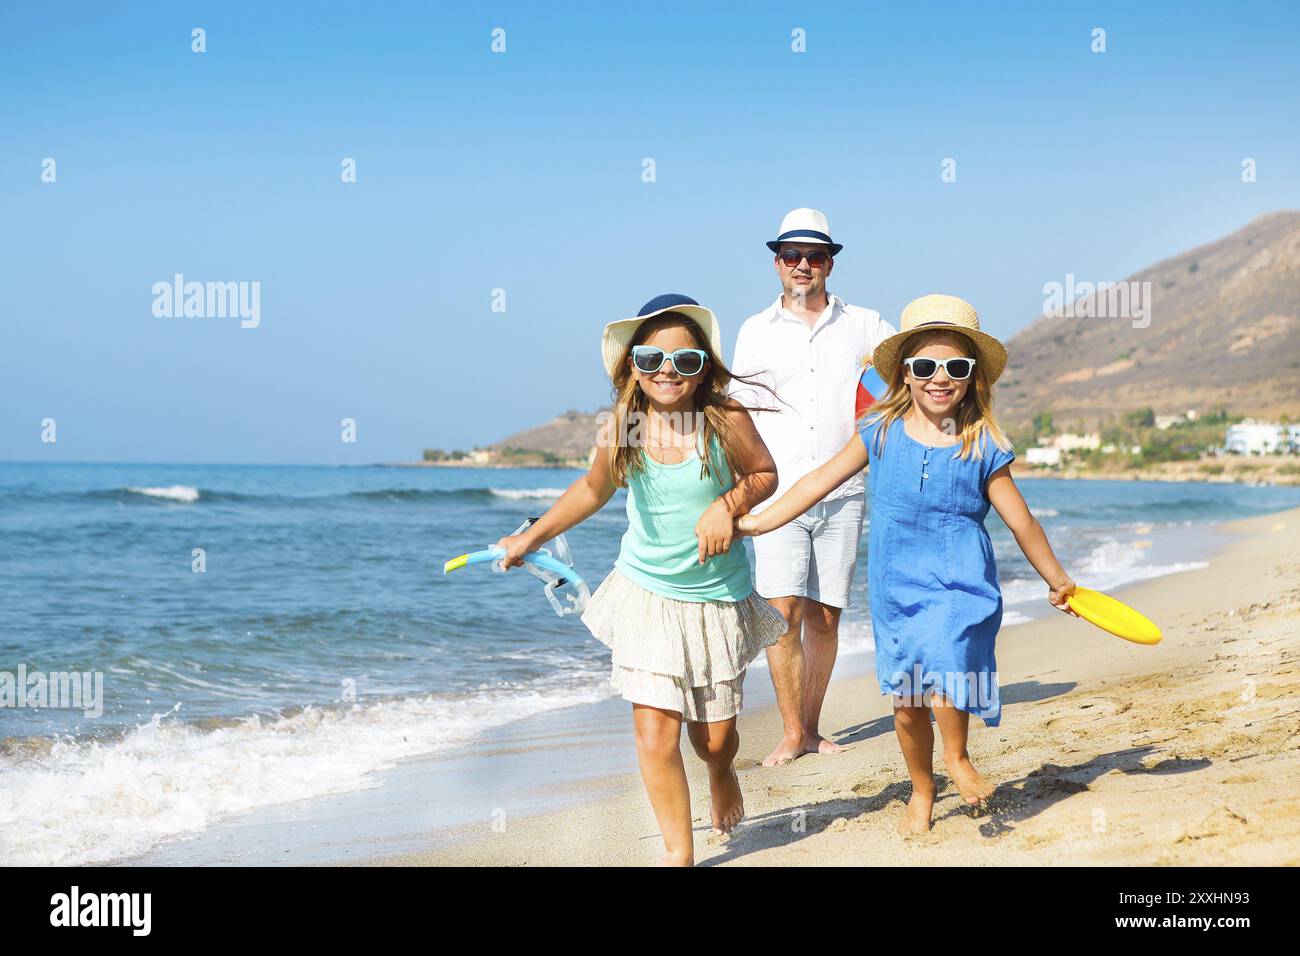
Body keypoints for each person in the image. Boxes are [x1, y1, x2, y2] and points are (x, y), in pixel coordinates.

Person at [735, 294, 1080, 833]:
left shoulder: (982, 443)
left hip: (962, 584)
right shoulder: (878, 433)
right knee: (907, 700)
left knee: (945, 671)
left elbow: (1023, 522)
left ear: (972, 378)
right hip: (897, 588)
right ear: (904, 373)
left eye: (955, 368)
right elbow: (815, 482)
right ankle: (922, 788)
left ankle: (958, 759)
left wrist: (1058, 581)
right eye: (925, 366)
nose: (940, 379)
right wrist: (760, 521)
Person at [495, 293, 788, 865]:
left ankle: (722, 775)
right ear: (633, 365)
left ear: (704, 367)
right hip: (646, 595)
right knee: (655, 736)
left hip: (714, 600)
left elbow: (765, 474)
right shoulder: (623, 428)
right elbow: (590, 490)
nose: (667, 372)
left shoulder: (726, 420)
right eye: (652, 359)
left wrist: (728, 503)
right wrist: (528, 538)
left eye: (684, 361)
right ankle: (679, 855)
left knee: (714, 741)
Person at [729, 207, 896, 766]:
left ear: (831, 263)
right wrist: (735, 492)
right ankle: (788, 731)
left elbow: (902, 375)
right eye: (791, 256)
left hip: (844, 494)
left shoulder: (867, 324)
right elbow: (741, 415)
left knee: (825, 616)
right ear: (777, 263)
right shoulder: (754, 330)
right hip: (777, 496)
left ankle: (811, 728)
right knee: (782, 615)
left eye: (815, 256)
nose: (803, 266)